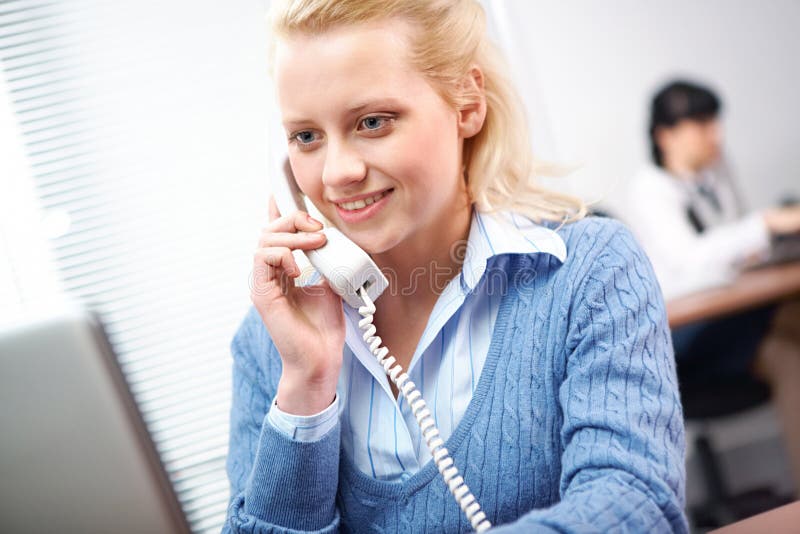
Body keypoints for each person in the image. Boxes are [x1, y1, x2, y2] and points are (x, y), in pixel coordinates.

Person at [223, 1, 687, 532]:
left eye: (373, 122)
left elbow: (634, 506)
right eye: (306, 137)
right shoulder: (270, 342)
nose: (337, 173)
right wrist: (306, 385)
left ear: (467, 102)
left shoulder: (589, 272)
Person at [625, 79, 800, 493]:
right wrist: (764, 224)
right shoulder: (648, 192)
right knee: (789, 354)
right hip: (692, 340)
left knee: (792, 322)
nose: (715, 136)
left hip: (736, 321)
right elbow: (690, 263)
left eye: (714, 123)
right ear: (665, 135)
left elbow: (738, 253)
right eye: (701, 125)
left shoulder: (714, 176)